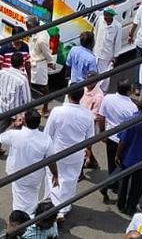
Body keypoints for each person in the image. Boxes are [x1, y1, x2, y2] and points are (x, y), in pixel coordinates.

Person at [44, 87, 94, 218]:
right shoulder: (88, 115)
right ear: (81, 96)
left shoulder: (57, 111)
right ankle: (63, 208)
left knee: (53, 177)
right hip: (76, 154)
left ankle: (54, 207)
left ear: (67, 94)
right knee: (70, 180)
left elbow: (48, 133)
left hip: (57, 151)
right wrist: (88, 152)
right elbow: (90, 138)